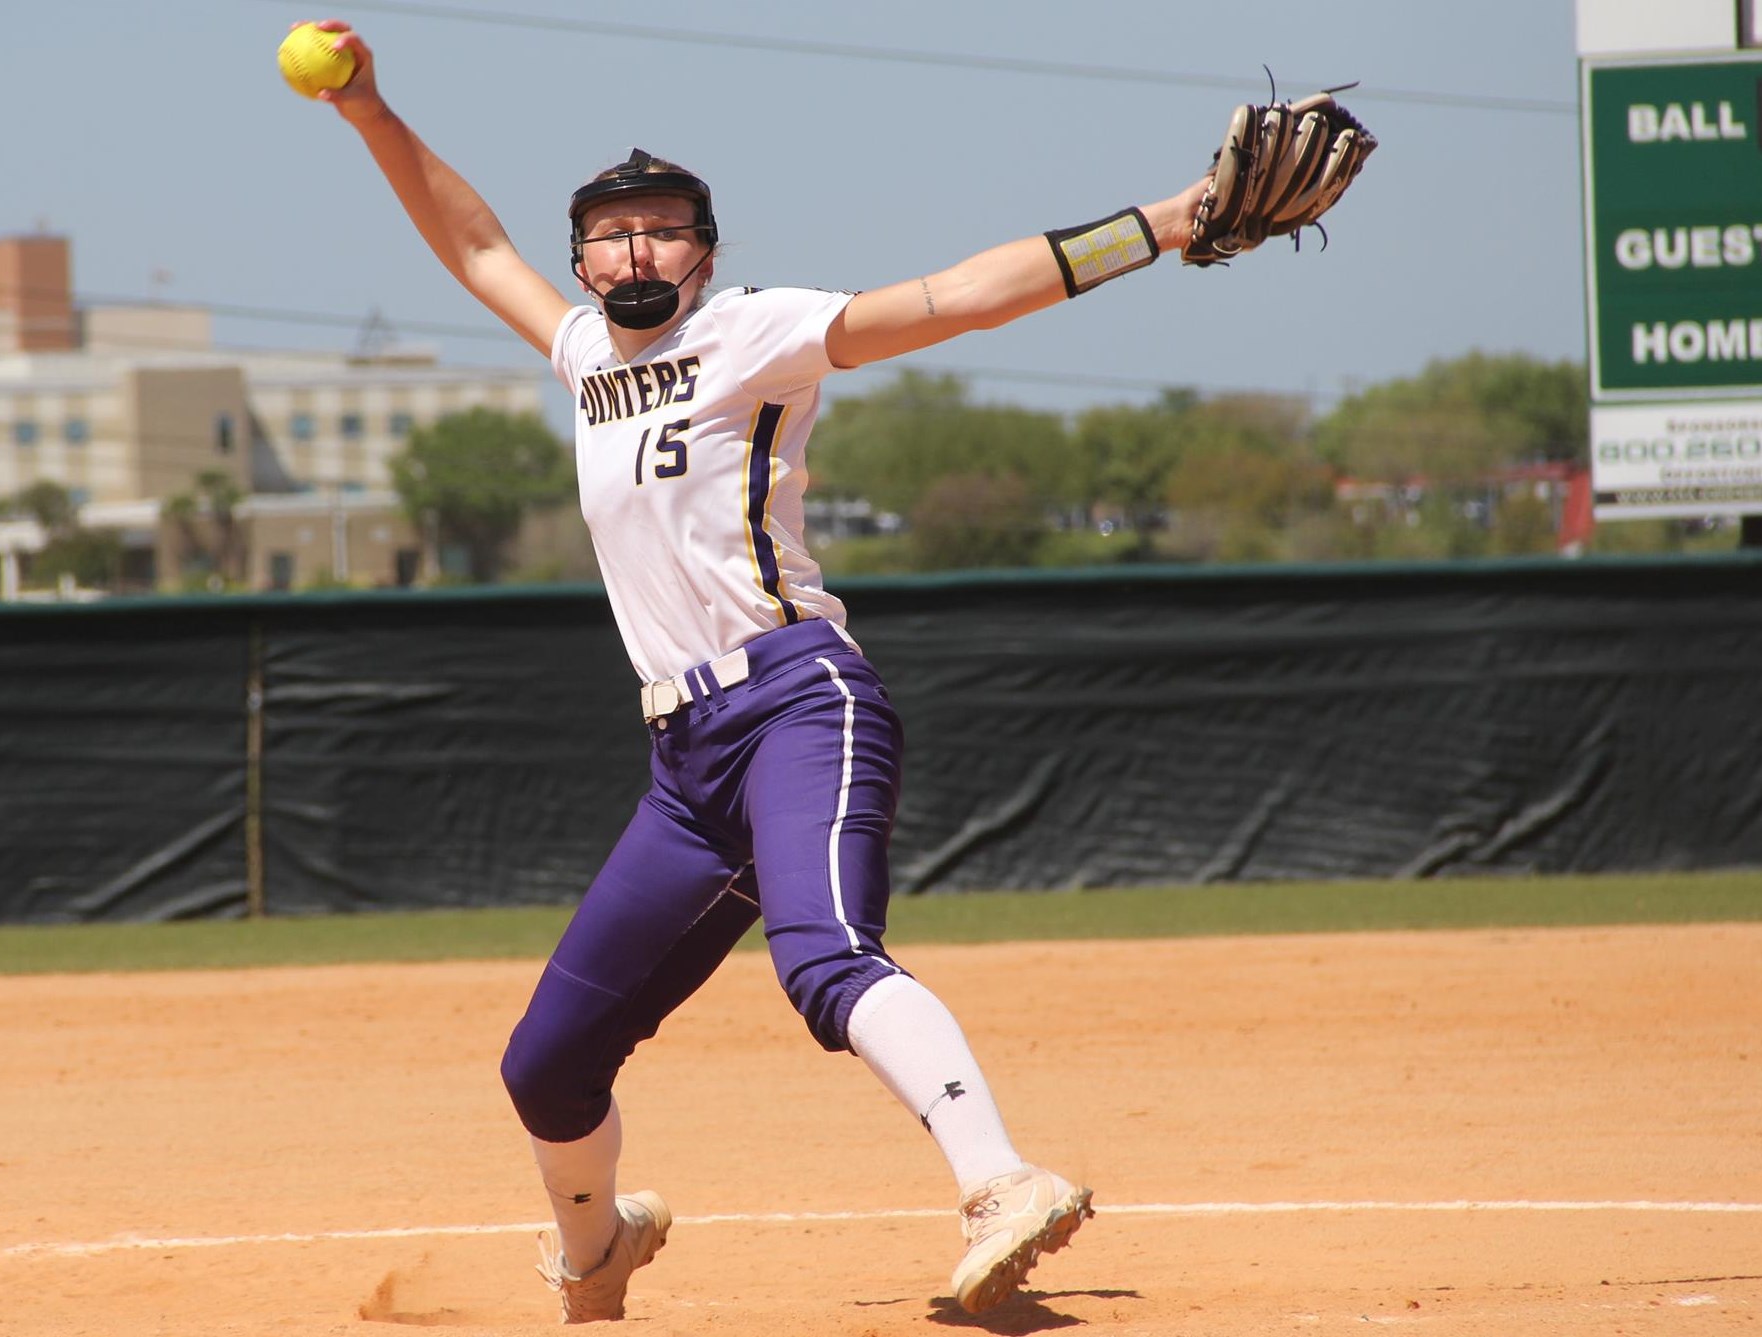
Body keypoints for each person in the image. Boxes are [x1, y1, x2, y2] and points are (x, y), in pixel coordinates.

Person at [304, 18, 1208, 1323]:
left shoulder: (755, 333)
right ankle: (597, 1246)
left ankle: (1002, 1181)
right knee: (546, 1064)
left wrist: (1163, 225)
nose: (634, 249)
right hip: (683, 767)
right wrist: (369, 114)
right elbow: (476, 245)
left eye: (662, 229)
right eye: (610, 233)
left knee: (826, 960)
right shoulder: (582, 358)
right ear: (581, 261)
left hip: (796, 699)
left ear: (706, 253)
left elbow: (955, 296)